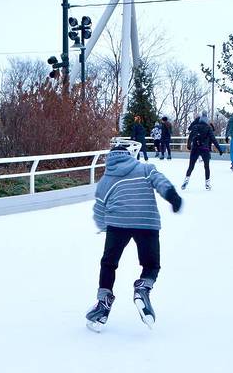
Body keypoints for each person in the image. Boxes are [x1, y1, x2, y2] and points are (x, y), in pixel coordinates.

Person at [86, 142, 183, 332]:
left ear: (109, 160)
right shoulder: (145, 168)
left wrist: (104, 226)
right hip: (147, 221)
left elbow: (99, 207)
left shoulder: (106, 179)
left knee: (109, 264)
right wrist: (173, 197)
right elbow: (161, 182)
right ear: (129, 155)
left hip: (117, 223)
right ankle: (143, 288)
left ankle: (103, 304)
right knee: (151, 265)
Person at [182, 111, 223, 191]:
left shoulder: (195, 126)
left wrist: (189, 145)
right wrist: (219, 149)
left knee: (191, 166)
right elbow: (213, 139)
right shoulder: (208, 128)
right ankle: (207, 183)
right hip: (205, 149)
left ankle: (186, 180)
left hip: (195, 148)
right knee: (206, 166)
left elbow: (190, 136)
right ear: (206, 120)